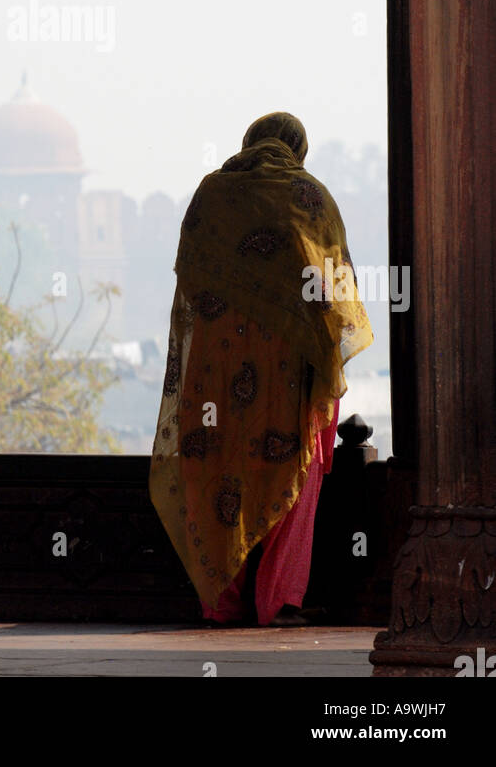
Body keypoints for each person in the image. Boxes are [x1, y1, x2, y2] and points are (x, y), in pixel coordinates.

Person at [149, 111, 373, 627]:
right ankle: (278, 602)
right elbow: (335, 288)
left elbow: (187, 277)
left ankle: (220, 604)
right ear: (297, 148)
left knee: (217, 474)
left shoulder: (211, 193)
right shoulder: (307, 196)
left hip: (215, 371)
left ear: (249, 142)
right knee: (292, 473)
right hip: (284, 373)